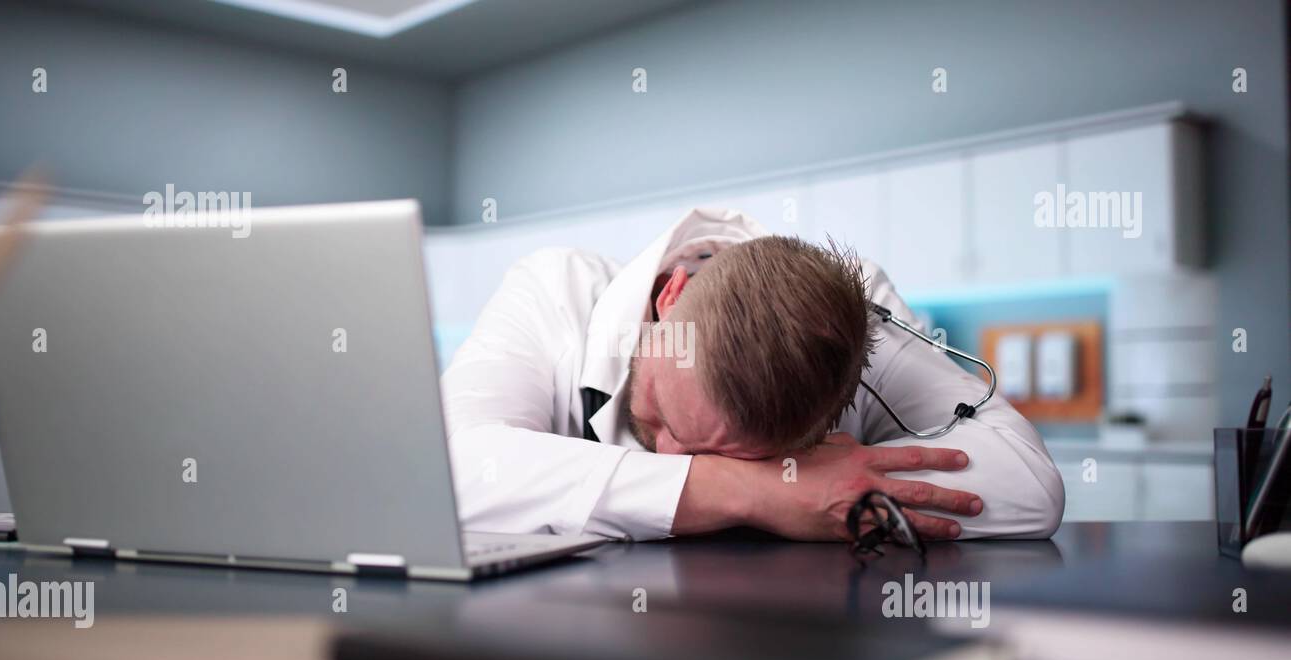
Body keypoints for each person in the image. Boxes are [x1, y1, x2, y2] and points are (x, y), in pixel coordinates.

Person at [441, 207, 1064, 542]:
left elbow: (1030, 486)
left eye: (740, 458)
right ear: (671, 297)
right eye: (662, 409)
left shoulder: (851, 325)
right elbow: (446, 470)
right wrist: (758, 489)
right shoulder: (557, 291)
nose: (669, 453)